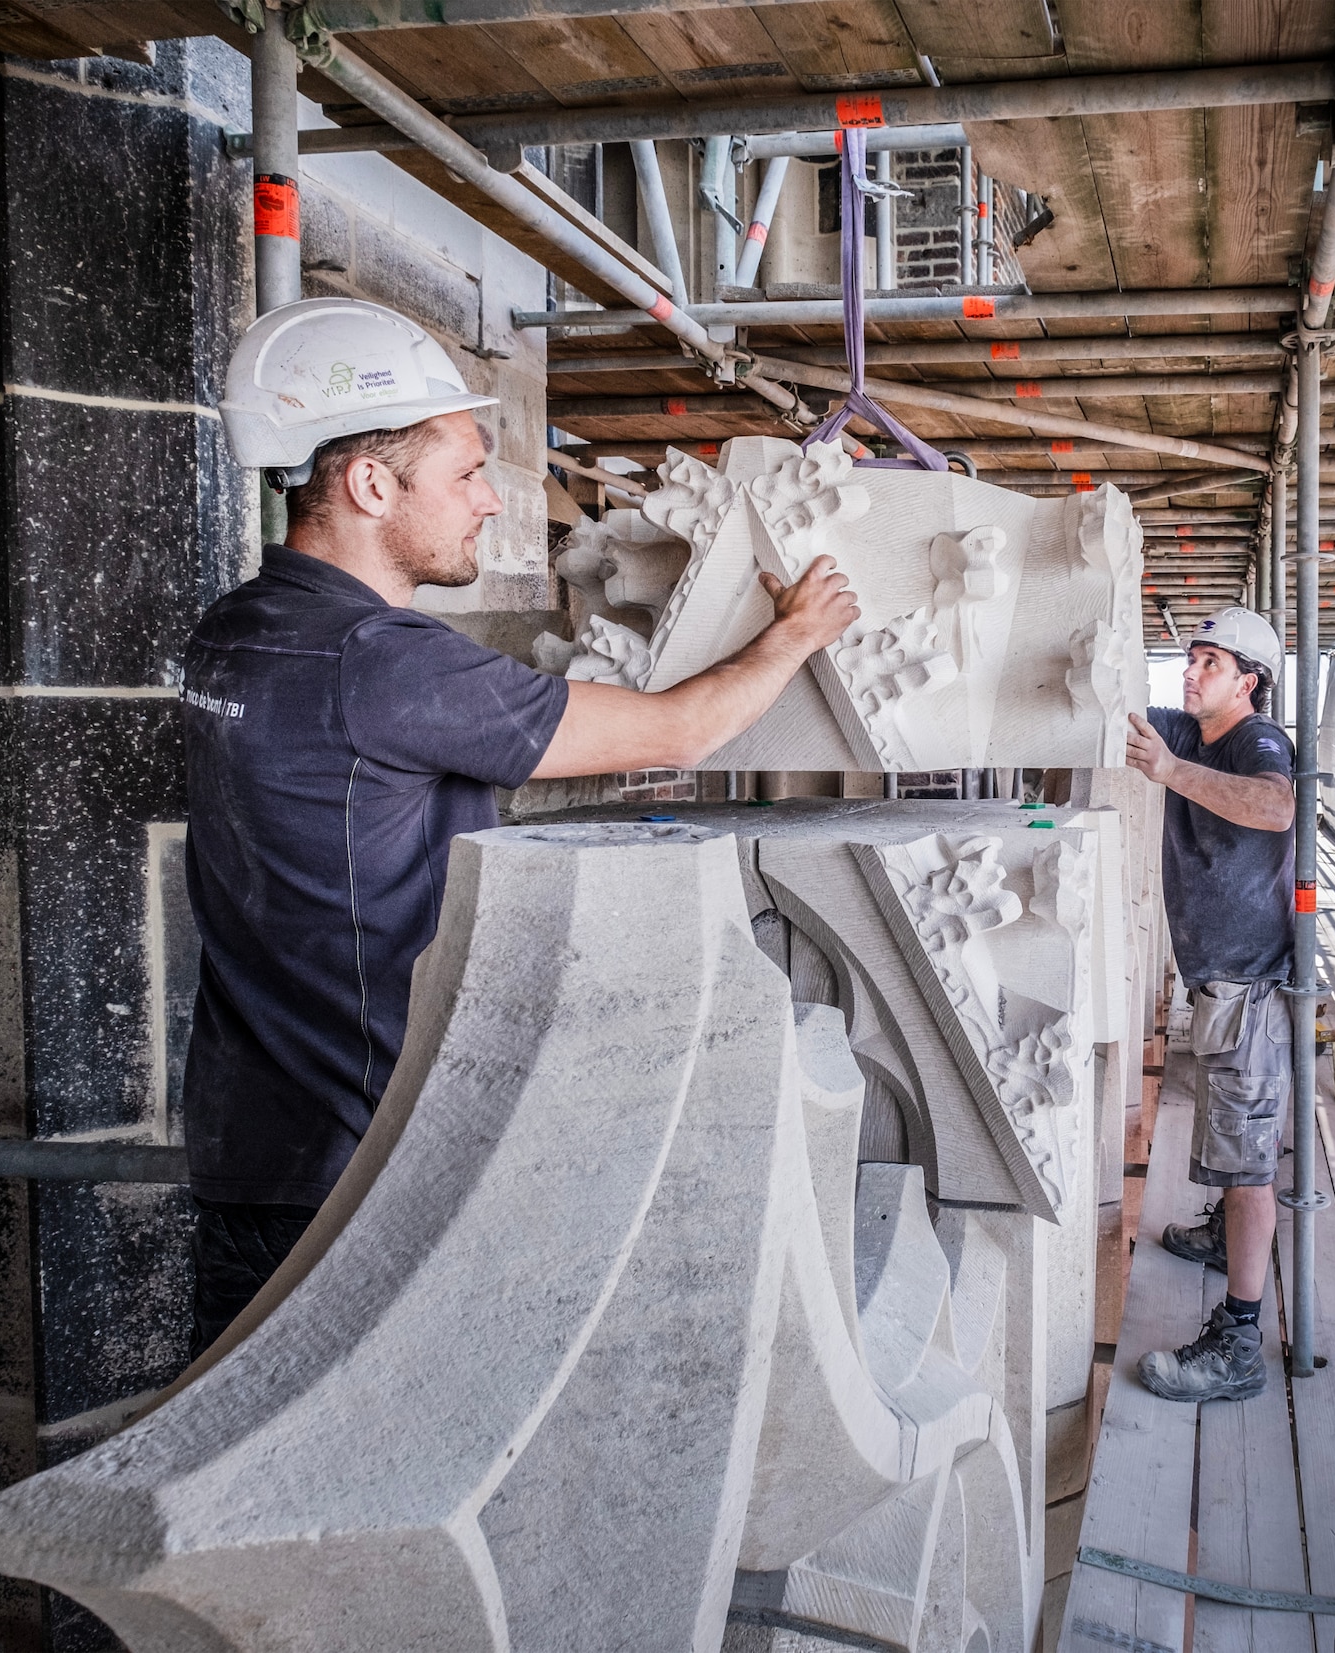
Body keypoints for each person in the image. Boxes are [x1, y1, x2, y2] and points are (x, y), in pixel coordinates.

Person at [182, 298, 857, 1346]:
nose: (491, 504)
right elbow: (675, 732)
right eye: (462, 474)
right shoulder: (384, 661)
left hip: (252, 1136)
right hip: (361, 1153)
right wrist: (789, 637)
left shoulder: (236, 630)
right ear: (368, 483)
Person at [1127, 607, 1298, 1403]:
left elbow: (1274, 807)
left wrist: (1169, 773)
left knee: (1249, 1160)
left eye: (1208, 662)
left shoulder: (1255, 740)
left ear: (1248, 681)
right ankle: (1220, 1234)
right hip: (1218, 975)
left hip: (1249, 983)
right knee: (1230, 1138)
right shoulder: (1190, 732)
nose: (1190, 672)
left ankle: (1238, 1341)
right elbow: (1115, 709)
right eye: (1189, 659)